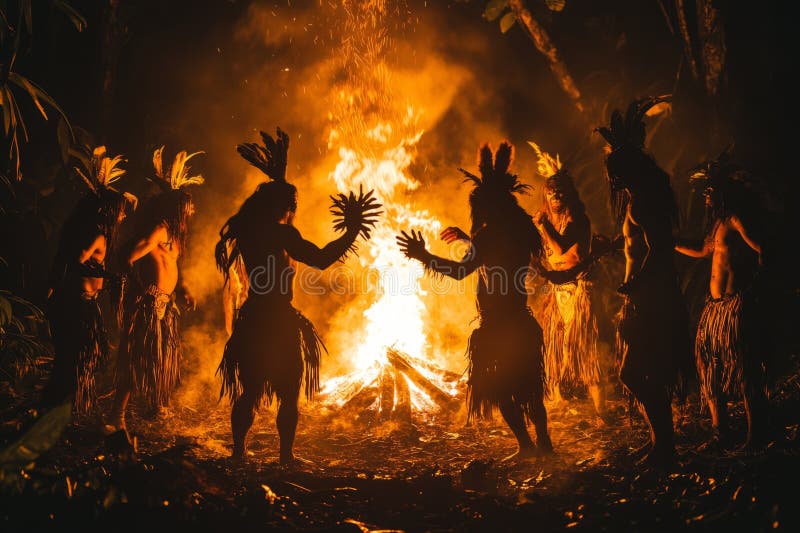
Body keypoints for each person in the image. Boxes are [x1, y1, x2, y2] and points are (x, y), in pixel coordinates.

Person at [216, 128, 381, 463]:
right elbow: (320, 258)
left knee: (250, 391)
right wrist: (351, 231)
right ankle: (286, 456)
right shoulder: (280, 233)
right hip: (276, 320)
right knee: (289, 392)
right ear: (283, 206)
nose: (292, 211)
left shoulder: (248, 230)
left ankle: (238, 453)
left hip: (252, 318)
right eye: (290, 205)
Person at [398, 141, 553, 459]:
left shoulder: (489, 235)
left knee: (500, 390)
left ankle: (526, 446)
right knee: (529, 389)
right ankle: (544, 445)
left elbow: (458, 272)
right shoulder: (521, 227)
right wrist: (471, 240)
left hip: (497, 327)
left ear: (487, 205)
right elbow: (500, 251)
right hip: (520, 322)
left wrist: (423, 255)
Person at [597, 98, 692, 467]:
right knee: (645, 372)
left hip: (653, 302)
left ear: (624, 172)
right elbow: (643, 240)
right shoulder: (641, 200)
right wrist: (615, 245)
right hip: (648, 299)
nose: (610, 180)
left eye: (612, 173)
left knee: (634, 373)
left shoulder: (642, 202)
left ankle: (665, 448)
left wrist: (635, 284)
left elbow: (661, 248)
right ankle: (660, 444)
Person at [675, 151, 768, 450]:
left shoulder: (737, 219)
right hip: (714, 309)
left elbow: (764, 248)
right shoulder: (717, 224)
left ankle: (756, 437)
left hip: (735, 305)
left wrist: (756, 285)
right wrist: (669, 242)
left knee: (744, 372)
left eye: (710, 191)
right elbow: (703, 251)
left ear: (724, 191)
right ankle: (721, 433)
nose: (705, 196)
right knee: (708, 368)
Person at [108, 147, 202, 432]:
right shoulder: (159, 230)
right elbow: (125, 258)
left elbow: (176, 267)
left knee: (163, 358)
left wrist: (183, 288)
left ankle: (158, 407)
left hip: (164, 303)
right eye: (188, 206)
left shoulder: (176, 235)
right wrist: (139, 288)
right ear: (176, 208)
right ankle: (116, 416)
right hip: (148, 302)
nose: (193, 210)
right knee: (136, 359)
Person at [43, 146, 136, 414]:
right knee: (73, 361)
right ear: (107, 210)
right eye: (119, 211)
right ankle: (52, 412)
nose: (123, 216)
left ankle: (58, 411)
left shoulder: (91, 230)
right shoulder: (95, 234)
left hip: (80, 303)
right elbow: (74, 262)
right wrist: (108, 275)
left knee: (79, 359)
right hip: (77, 304)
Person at [526, 142, 606, 418]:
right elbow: (543, 251)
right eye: (551, 193)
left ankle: (601, 411)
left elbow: (560, 249)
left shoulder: (576, 219)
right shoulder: (550, 220)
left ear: (570, 194)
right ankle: (558, 401)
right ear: (546, 197)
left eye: (560, 192)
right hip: (558, 292)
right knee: (554, 349)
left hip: (580, 289)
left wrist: (543, 225)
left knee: (587, 352)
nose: (556, 196)